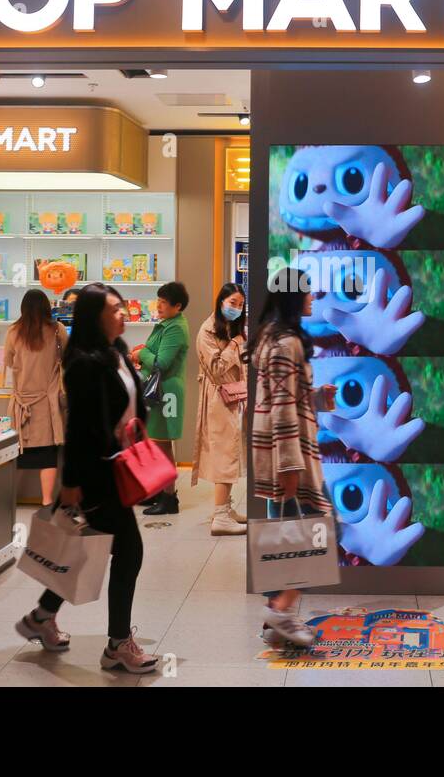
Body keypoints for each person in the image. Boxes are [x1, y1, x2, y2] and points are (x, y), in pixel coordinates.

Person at [15, 283, 158, 673]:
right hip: (96, 472)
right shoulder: (84, 362)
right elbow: (78, 427)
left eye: (122, 305)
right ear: (94, 316)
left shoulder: (118, 354)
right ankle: (117, 644)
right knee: (128, 551)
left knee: (80, 552)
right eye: (114, 308)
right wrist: (72, 481)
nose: (123, 312)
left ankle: (41, 618)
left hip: (119, 464)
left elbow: (132, 404)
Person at [247, 267, 336, 647]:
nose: (312, 297)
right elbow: (283, 407)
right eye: (307, 291)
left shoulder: (271, 337)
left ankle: (277, 613)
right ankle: (282, 609)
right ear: (292, 296)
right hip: (290, 449)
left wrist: (316, 398)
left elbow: (283, 397)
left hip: (277, 445)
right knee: (317, 528)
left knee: (282, 533)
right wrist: (290, 465)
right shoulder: (286, 344)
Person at [192, 283, 248, 536]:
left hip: (234, 395)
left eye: (240, 304)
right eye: (232, 302)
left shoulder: (231, 329)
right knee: (224, 454)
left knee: (231, 451)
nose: (236, 308)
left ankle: (223, 508)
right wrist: (235, 345)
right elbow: (216, 368)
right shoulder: (207, 330)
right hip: (219, 398)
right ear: (221, 301)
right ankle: (221, 516)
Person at [5, 290, 68, 506]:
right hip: (47, 402)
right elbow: (66, 358)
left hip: (21, 401)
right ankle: (47, 500)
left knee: (17, 452)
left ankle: (11, 499)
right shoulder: (57, 330)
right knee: (48, 454)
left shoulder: (13, 331)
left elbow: (8, 362)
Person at [133, 280, 190, 516]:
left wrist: (140, 353)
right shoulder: (168, 323)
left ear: (177, 306)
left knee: (163, 444)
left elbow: (161, 362)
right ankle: (160, 492)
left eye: (164, 302)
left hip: (166, 392)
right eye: (159, 300)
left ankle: (169, 498)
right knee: (157, 443)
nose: (159, 305)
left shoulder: (175, 327)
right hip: (158, 390)